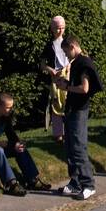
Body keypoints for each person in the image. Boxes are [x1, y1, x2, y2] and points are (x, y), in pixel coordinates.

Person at [52, 35, 102, 199]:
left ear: (73, 46)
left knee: (79, 147)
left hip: (79, 110)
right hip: (72, 109)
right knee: (70, 147)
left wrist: (66, 87)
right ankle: (75, 183)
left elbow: (84, 88)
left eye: (66, 52)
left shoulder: (83, 63)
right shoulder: (77, 63)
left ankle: (88, 184)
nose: (66, 56)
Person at [39, 14, 69, 142]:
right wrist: (51, 70)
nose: (60, 30)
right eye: (57, 28)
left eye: (62, 28)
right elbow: (42, 65)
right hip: (55, 78)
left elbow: (74, 59)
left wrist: (68, 68)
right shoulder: (49, 45)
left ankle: (69, 131)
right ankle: (58, 134)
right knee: (56, 103)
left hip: (67, 76)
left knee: (68, 102)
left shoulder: (68, 42)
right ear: (52, 29)